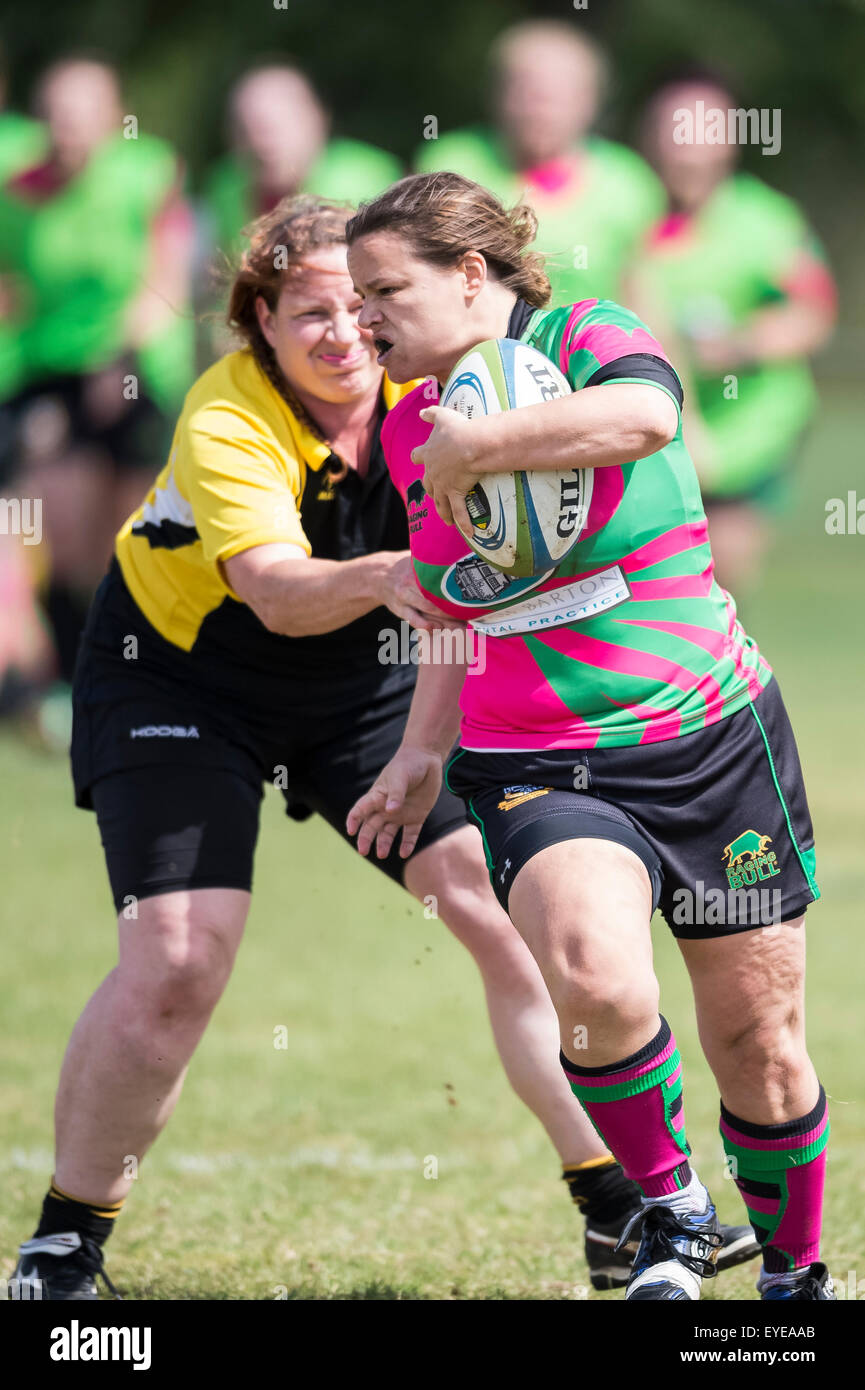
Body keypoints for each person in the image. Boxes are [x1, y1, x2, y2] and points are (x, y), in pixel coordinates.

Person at [6, 195, 757, 1302]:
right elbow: (270, 592)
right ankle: (66, 1240)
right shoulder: (226, 418)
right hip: (181, 678)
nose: (343, 335)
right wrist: (390, 576)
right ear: (257, 323)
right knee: (178, 956)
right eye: (308, 313)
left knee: (502, 913)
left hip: (363, 680)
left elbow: (602, 438)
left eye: (362, 308)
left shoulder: (439, 382)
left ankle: (621, 1203)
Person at [345, 172, 834, 1301]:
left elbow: (648, 415)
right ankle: (669, 1207)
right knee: (594, 980)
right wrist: (423, 748)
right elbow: (452, 597)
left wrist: (484, 446)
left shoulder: (587, 331)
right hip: (536, 758)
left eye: (385, 291)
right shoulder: (408, 419)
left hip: (710, 738)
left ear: (471, 274)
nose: (366, 319)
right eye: (357, 297)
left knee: (757, 1043)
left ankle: (795, 1281)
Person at [0, 55, 197, 687]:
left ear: (114, 119)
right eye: (56, 113)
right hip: (48, 372)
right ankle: (53, 673)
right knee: (50, 529)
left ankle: (144, 671)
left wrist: (122, 359)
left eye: (83, 113)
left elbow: (166, 278)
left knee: (138, 536)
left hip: (136, 367)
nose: (68, 127)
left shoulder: (147, 172)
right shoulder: (18, 186)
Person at [626, 70, 836, 595]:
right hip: (643, 422)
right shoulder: (625, 210)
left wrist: (739, 345)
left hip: (746, 433)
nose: (688, 153)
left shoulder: (765, 220)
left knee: (719, 579)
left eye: (704, 134)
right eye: (676, 134)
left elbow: (813, 314)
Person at [414, 20, 663, 305]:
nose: (539, 108)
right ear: (497, 93)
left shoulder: (629, 181)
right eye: (526, 90)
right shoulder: (450, 165)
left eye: (557, 94)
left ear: (591, 100)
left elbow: (643, 294)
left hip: (590, 347)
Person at [203, 63, 403, 264]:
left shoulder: (370, 177)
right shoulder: (225, 187)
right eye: (244, 130)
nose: (259, 144)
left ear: (317, 120)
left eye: (272, 129)